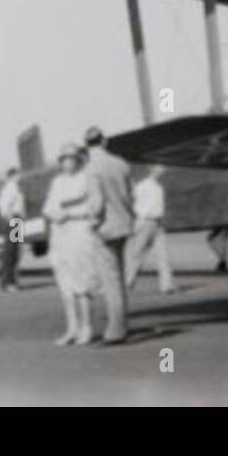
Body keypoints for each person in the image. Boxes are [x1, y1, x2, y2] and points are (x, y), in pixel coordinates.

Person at [42, 144, 107, 346]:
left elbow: (96, 207)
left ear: (79, 160)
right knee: (65, 284)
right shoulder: (57, 182)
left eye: (71, 158)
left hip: (80, 232)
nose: (67, 162)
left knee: (83, 282)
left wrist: (71, 213)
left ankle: (86, 327)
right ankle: (72, 328)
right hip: (60, 234)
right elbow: (48, 207)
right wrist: (55, 213)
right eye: (64, 158)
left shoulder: (88, 179)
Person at [83, 126, 135, 344]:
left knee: (110, 281)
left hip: (105, 228)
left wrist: (91, 222)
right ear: (104, 141)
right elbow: (130, 195)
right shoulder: (121, 163)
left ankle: (116, 331)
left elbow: (96, 202)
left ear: (86, 145)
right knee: (119, 278)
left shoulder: (91, 168)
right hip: (123, 224)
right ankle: (122, 324)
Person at [125, 166, 176, 294]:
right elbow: (132, 201)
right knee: (137, 254)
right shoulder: (142, 186)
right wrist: (138, 219)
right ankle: (127, 282)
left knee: (163, 255)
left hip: (157, 223)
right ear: (152, 170)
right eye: (159, 169)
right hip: (144, 222)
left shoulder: (159, 187)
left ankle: (167, 286)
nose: (162, 171)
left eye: (162, 169)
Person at [0, 166, 25, 291]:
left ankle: (12, 281)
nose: (20, 177)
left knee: (15, 251)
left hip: (17, 220)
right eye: (18, 175)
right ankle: (8, 282)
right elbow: (5, 205)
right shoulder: (11, 187)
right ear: (13, 176)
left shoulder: (13, 188)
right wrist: (10, 218)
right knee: (11, 252)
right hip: (14, 220)